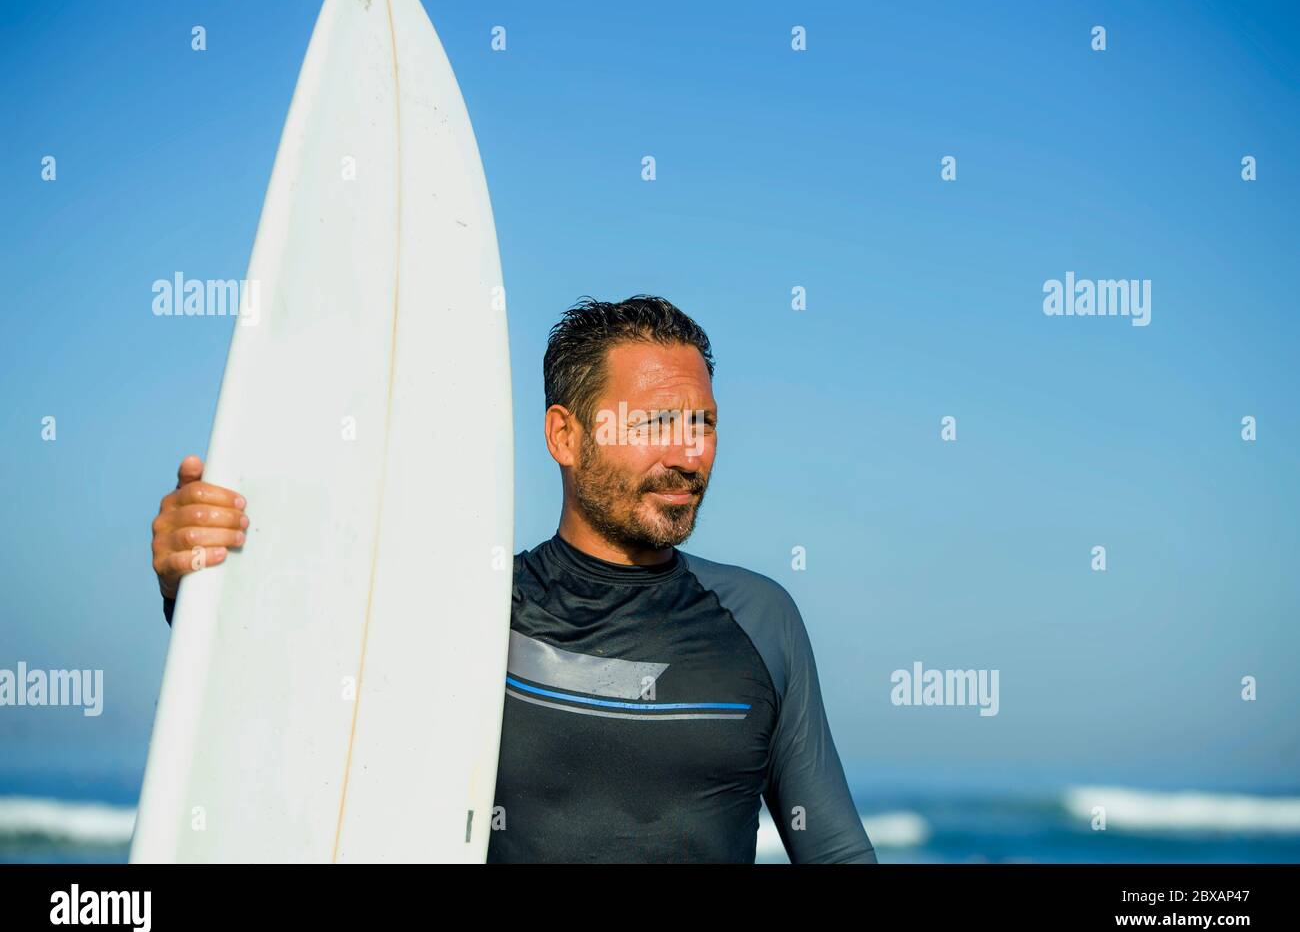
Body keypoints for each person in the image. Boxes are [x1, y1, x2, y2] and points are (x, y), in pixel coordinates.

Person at [150, 294, 876, 863]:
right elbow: (286, 702)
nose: (689, 454)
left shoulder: (759, 619)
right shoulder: (473, 608)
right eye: (653, 423)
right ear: (565, 435)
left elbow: (837, 849)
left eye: (704, 423)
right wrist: (200, 583)